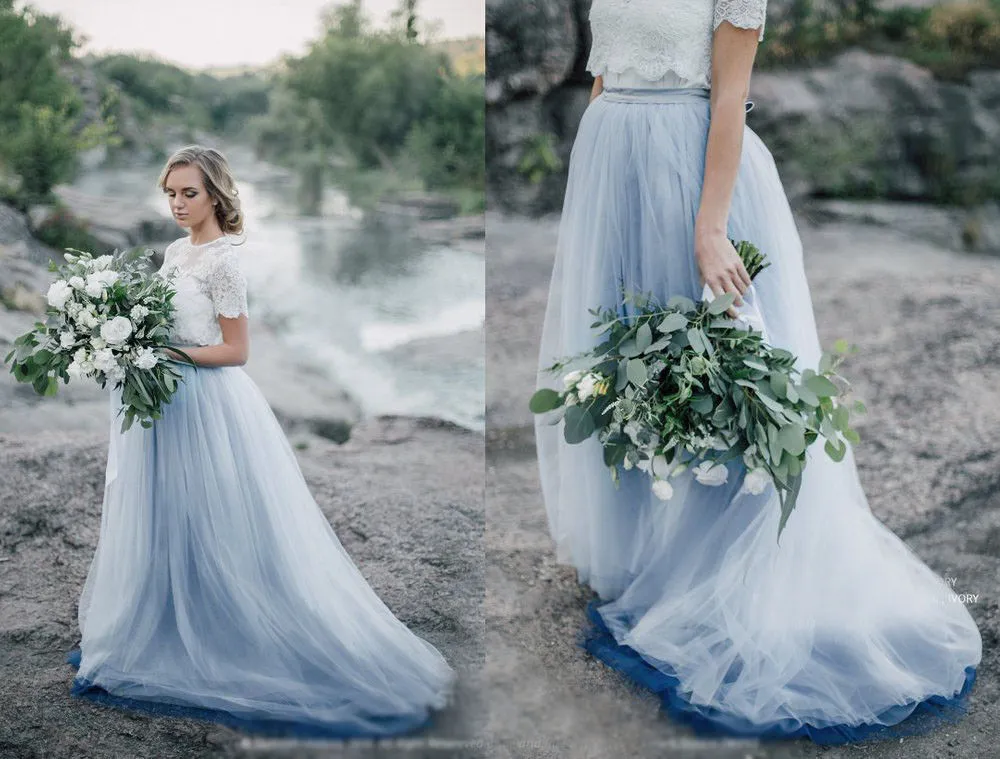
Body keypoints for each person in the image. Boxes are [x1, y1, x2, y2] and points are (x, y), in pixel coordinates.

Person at [533, 0, 982, 744]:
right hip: (613, 171)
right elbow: (605, 78)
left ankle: (716, 570)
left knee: (713, 370)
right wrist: (595, 196)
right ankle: (652, 549)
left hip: (690, 167)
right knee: (633, 366)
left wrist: (710, 227)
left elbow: (731, 94)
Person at [66, 145, 455, 738]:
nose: (177, 204)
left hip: (207, 403)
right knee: (168, 514)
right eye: (170, 193)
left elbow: (236, 351)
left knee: (218, 518)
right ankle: (167, 618)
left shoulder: (224, 262)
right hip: (164, 402)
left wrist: (166, 353)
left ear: (216, 195)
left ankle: (227, 629)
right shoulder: (175, 251)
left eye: (188, 193)